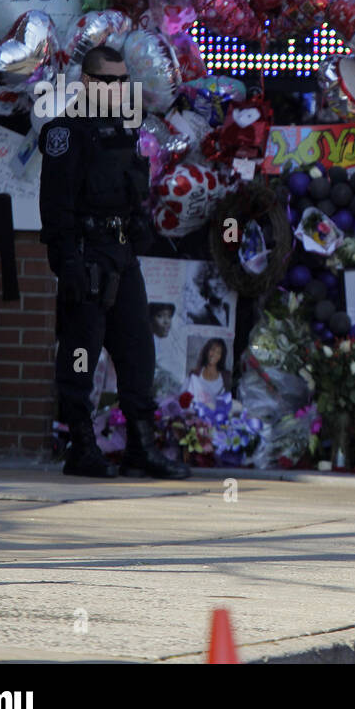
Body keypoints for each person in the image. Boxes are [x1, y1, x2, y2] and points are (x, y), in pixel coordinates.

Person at [38, 44, 190, 480]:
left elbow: (131, 190)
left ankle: (141, 447)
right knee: (81, 353)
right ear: (87, 83)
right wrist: (67, 262)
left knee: (138, 350)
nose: (118, 88)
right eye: (110, 81)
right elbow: (57, 206)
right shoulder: (65, 132)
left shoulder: (125, 128)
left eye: (123, 80)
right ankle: (81, 446)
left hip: (121, 255)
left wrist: (139, 224)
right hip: (86, 255)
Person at [186, 338, 230, 405]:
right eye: (212, 350)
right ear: (207, 351)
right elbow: (188, 400)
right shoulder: (195, 374)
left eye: (218, 352)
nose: (214, 354)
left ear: (221, 356)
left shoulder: (226, 377)